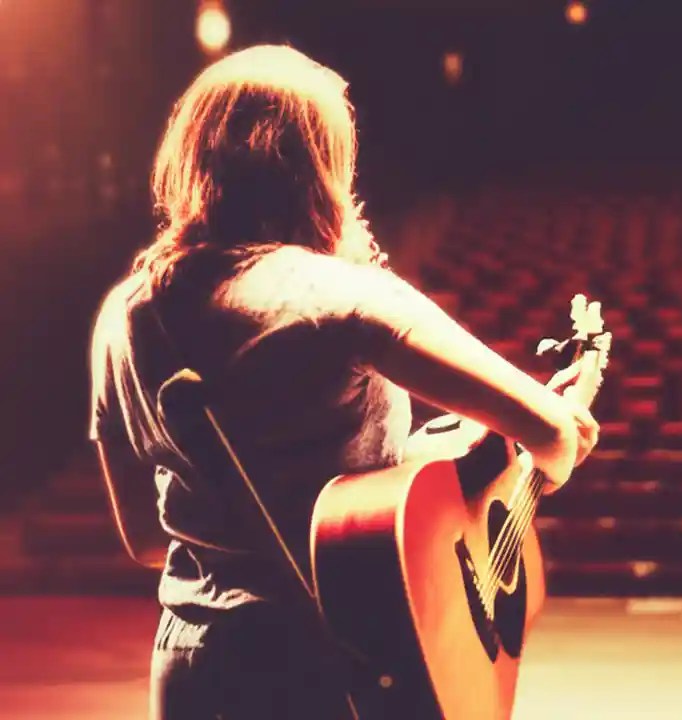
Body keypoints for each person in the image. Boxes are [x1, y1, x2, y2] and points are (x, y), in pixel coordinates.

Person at [87, 44, 598, 719]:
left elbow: (146, 541)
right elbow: (551, 435)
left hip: (187, 662)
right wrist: (560, 439)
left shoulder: (124, 316)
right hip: (328, 660)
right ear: (322, 164)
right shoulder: (342, 295)